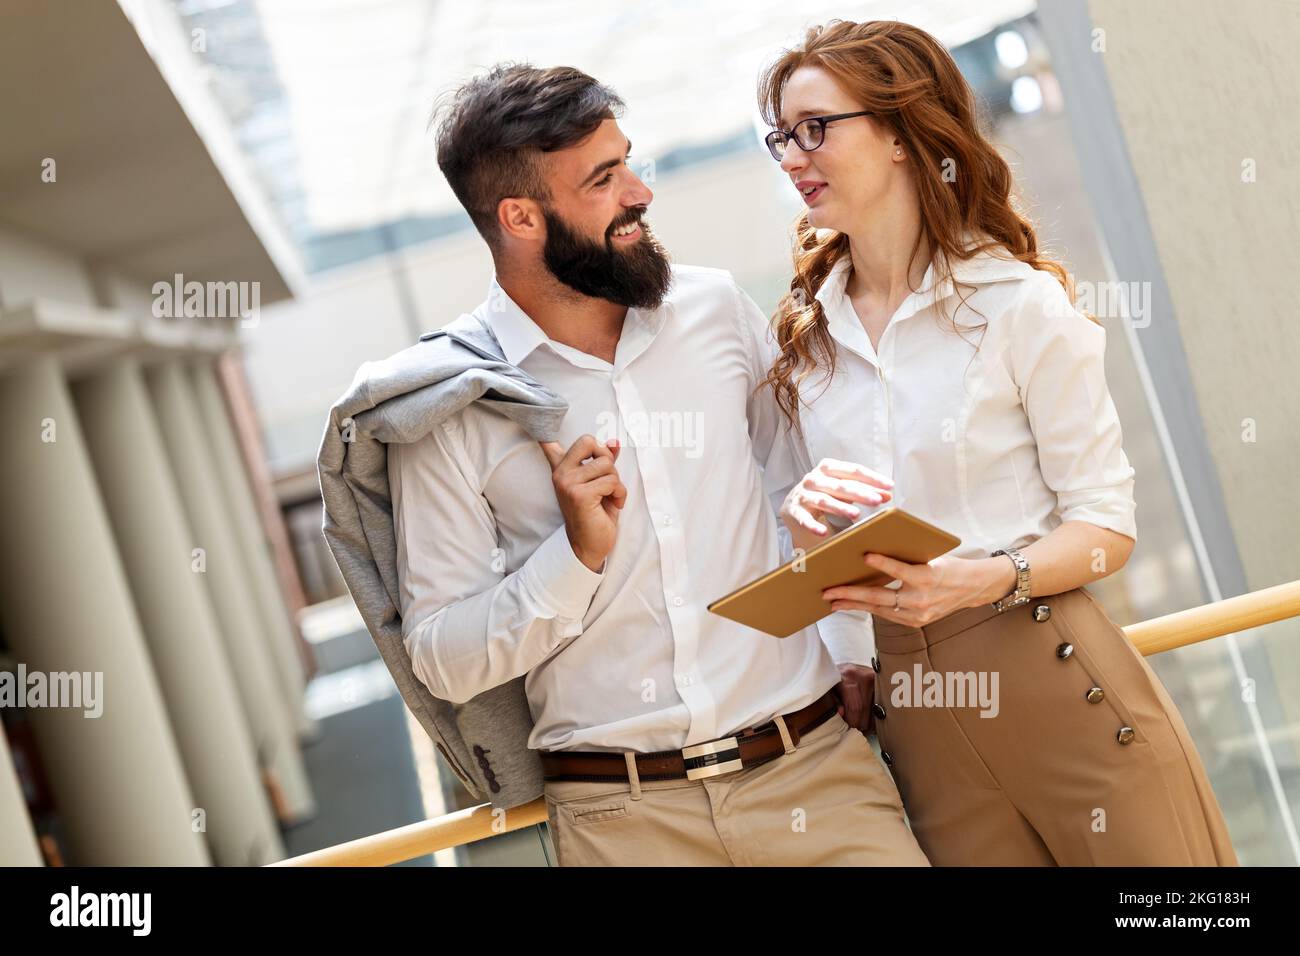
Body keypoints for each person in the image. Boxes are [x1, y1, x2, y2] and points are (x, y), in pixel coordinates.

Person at [390, 62, 929, 866]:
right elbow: (442, 657)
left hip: (816, 776)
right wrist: (572, 559)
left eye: (628, 162)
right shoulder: (455, 404)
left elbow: (800, 494)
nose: (639, 192)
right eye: (604, 180)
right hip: (625, 827)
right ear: (520, 218)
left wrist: (851, 647)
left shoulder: (715, 311)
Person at [757, 19, 1237, 866]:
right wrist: (845, 660)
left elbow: (1106, 530)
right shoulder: (804, 341)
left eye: (816, 129)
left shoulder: (1020, 308)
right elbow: (806, 539)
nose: (794, 157)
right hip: (914, 716)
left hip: (1054, 675)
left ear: (903, 134)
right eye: (782, 138)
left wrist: (986, 578)